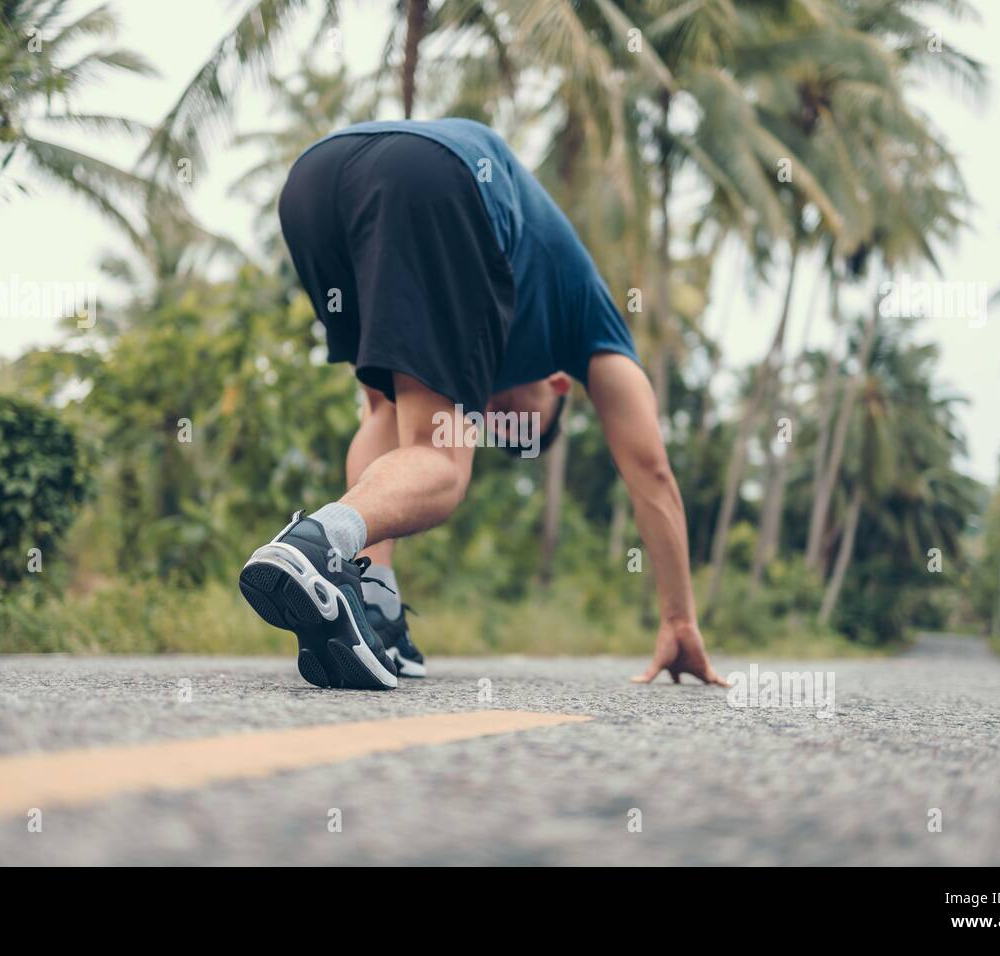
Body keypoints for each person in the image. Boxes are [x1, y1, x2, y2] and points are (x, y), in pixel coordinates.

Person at [239, 118, 728, 691]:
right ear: (558, 385)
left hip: (315, 185)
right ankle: (318, 543)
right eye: (514, 423)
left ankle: (376, 608)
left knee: (385, 413)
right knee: (440, 457)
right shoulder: (593, 324)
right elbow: (652, 472)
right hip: (437, 178)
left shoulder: (532, 321)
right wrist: (679, 618)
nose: (492, 422)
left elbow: (381, 415)